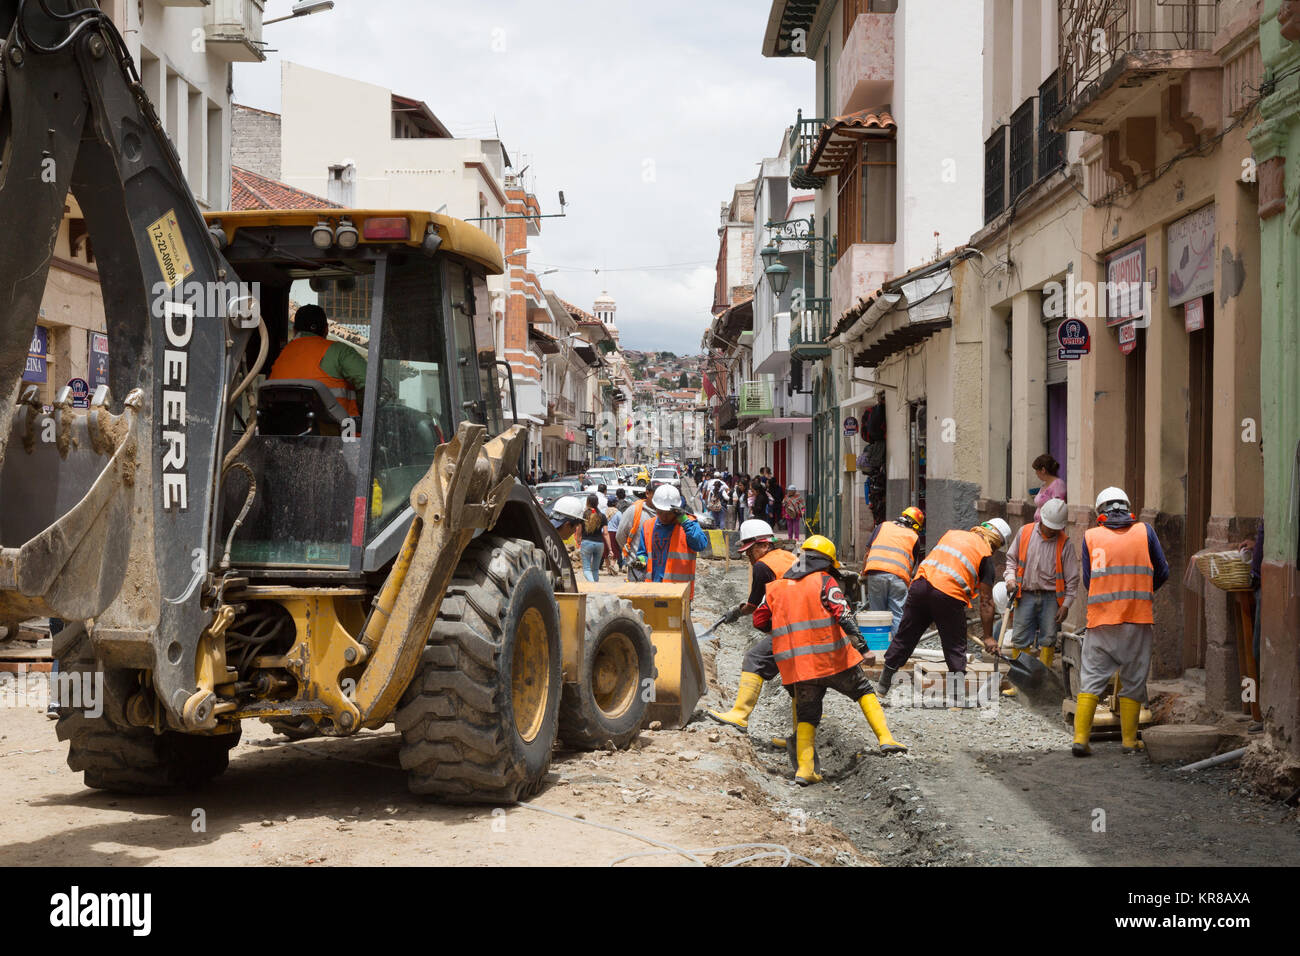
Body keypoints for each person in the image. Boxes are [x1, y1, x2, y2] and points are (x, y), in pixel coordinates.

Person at [753, 535, 906, 784]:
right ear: (826, 563)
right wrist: (865, 649)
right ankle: (886, 739)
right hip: (833, 660)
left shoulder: (777, 587)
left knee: (807, 715)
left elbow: (759, 620)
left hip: (800, 668)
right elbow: (843, 615)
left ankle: (805, 771)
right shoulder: (826, 581)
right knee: (863, 690)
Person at [1072, 487, 1169, 757]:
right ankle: (1128, 741)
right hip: (1137, 619)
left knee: (1091, 679)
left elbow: (1089, 582)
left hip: (1101, 621)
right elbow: (1162, 571)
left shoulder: (1090, 536)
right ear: (1127, 507)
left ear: (1100, 512)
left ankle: (1081, 738)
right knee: (1134, 680)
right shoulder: (1145, 532)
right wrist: (1142, 593)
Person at [876, 518, 1011, 705]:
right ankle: (956, 699)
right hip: (948, 594)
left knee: (905, 637)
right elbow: (986, 602)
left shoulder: (952, 534)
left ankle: (882, 688)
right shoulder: (985, 555)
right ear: (996, 542)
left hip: (920, 585)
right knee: (955, 646)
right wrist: (988, 637)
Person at [706, 519, 798, 730]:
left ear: (764, 545)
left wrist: (736, 612)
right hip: (806, 624)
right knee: (795, 683)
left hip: (792, 628)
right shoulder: (789, 557)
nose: (748, 556)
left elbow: (753, 605)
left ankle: (740, 715)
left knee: (754, 658)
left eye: (750, 551)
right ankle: (798, 736)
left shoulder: (763, 566)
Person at [1004, 497, 1078, 669]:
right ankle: (1022, 683)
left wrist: (1066, 605)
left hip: (1051, 598)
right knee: (1020, 638)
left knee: (1049, 638)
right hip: (1025, 594)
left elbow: (1072, 580)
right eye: (1050, 527)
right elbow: (1011, 560)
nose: (1052, 531)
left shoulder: (1064, 544)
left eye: (1056, 528)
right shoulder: (1025, 533)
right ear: (1042, 519)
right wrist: (1010, 579)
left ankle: (1042, 682)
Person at [268, 304, 367, 419]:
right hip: (337, 434)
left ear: (294, 331)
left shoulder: (280, 355)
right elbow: (372, 385)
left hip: (282, 433)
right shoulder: (340, 351)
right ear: (326, 329)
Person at [632, 484, 709, 601]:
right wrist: (641, 561)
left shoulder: (688, 524)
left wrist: (685, 522)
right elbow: (643, 553)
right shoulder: (648, 526)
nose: (664, 516)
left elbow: (700, 545)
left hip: (679, 592)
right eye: (660, 512)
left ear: (676, 510)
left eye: (668, 513)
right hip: (653, 589)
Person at [861, 507, 925, 637]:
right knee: (898, 615)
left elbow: (868, 552)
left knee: (878, 616)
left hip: (875, 573)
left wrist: (863, 573)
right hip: (898, 578)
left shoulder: (882, 526)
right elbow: (911, 565)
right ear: (915, 525)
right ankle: (896, 653)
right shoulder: (914, 537)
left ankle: (879, 649)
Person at [1031, 454, 1066, 524]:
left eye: (1036, 470)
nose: (1036, 474)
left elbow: (1058, 509)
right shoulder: (1044, 485)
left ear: (1043, 470)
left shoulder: (1058, 485)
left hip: (1049, 528)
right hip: (1040, 526)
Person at [579, 494, 607, 583]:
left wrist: (578, 539)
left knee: (587, 569)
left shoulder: (584, 515)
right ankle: (596, 587)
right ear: (597, 503)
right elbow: (606, 533)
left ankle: (593, 585)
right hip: (600, 544)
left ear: (587, 502)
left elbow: (579, 529)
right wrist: (610, 548)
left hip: (586, 543)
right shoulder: (602, 516)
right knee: (595, 569)